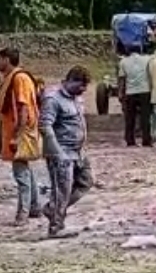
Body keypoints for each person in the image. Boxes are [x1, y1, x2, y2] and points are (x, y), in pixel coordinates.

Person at [39, 66, 94, 238]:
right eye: (81, 85)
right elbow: (45, 126)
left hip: (78, 151)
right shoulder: (53, 99)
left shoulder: (76, 99)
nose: (83, 90)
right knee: (61, 189)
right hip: (61, 152)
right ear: (71, 81)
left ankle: (52, 209)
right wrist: (57, 153)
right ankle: (56, 226)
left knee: (86, 181)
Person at [0, 47, 41, 224]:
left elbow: (23, 107)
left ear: (6, 59)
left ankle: (23, 213)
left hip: (19, 131)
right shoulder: (11, 78)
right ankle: (34, 207)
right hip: (13, 130)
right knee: (25, 168)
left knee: (20, 172)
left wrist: (18, 134)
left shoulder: (19, 78)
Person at [118, 44, 152, 147]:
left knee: (130, 118)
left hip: (130, 92)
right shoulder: (147, 59)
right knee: (145, 117)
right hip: (145, 91)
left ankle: (130, 140)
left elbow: (122, 79)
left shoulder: (123, 62)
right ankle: (146, 140)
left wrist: (120, 93)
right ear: (140, 50)